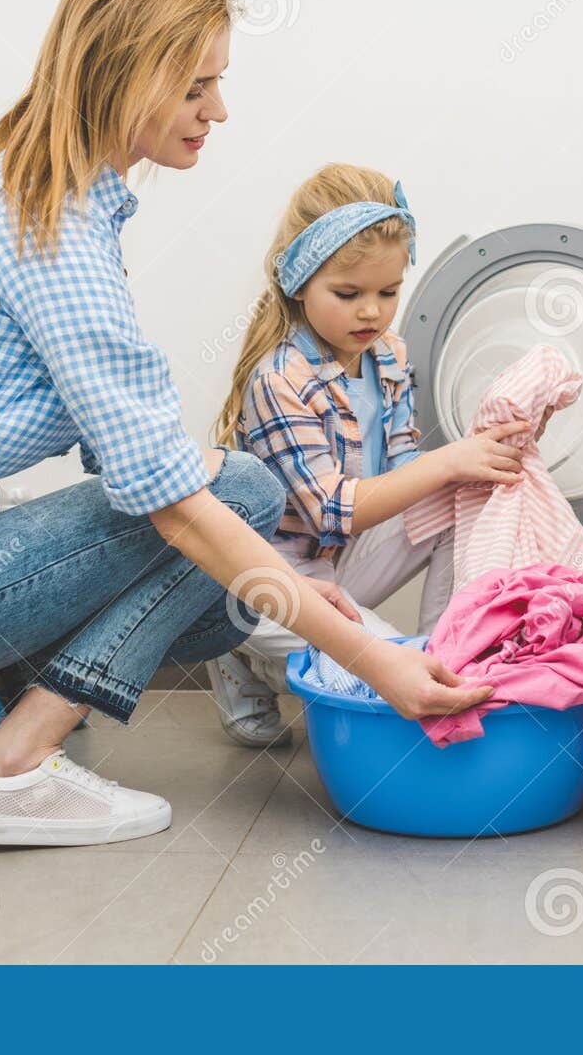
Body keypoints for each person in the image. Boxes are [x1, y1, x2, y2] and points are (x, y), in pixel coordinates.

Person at [0, 0, 491, 850]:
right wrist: (368, 658)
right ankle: (12, 768)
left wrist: (311, 601)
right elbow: (179, 510)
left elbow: (132, 455)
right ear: (125, 76)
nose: (219, 111)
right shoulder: (60, 234)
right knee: (233, 497)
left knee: (215, 569)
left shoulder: (21, 188)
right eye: (197, 87)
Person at [207, 163, 532, 745]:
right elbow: (334, 510)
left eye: (388, 292)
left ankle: (447, 648)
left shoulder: (387, 357)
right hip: (268, 575)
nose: (372, 312)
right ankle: (238, 651)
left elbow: (407, 467)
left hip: (338, 562)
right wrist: (449, 459)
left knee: (460, 501)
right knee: (378, 669)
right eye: (349, 294)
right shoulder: (279, 379)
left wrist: (482, 451)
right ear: (299, 281)